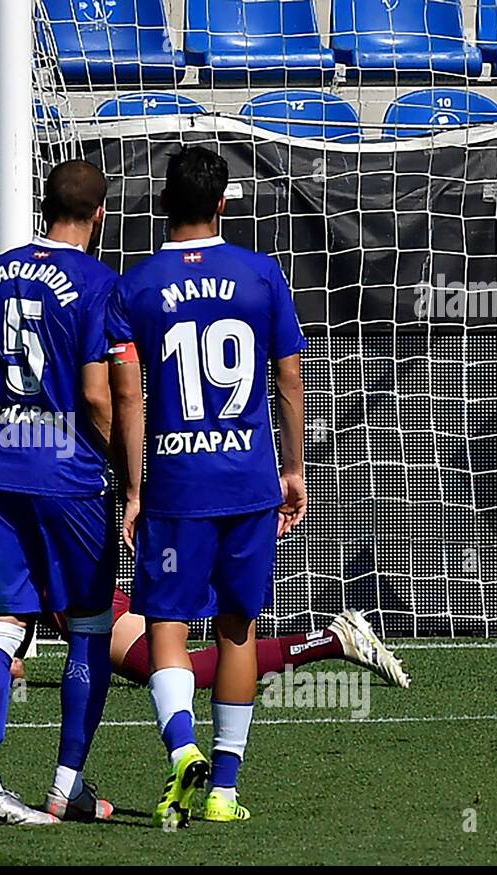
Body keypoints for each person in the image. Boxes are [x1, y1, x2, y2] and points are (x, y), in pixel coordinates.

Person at [0, 473, 409, 691]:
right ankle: (330, 640)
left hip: (46, 560)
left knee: (171, 663)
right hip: (39, 596)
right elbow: (7, 668)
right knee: (173, 669)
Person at [108, 145, 308, 827]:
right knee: (237, 628)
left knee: (165, 622)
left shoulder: (134, 286)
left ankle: (182, 745)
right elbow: (289, 381)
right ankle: (224, 788)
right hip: (249, 480)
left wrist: (134, 487)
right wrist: (294, 468)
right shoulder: (261, 275)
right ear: (223, 202)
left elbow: (128, 396)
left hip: (177, 484)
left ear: (164, 201)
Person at [0, 160, 119, 826]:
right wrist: (120, 465)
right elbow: (99, 395)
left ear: (45, 206)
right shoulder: (99, 282)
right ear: (99, 214)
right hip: (69, 478)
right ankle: (67, 783)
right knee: (90, 627)